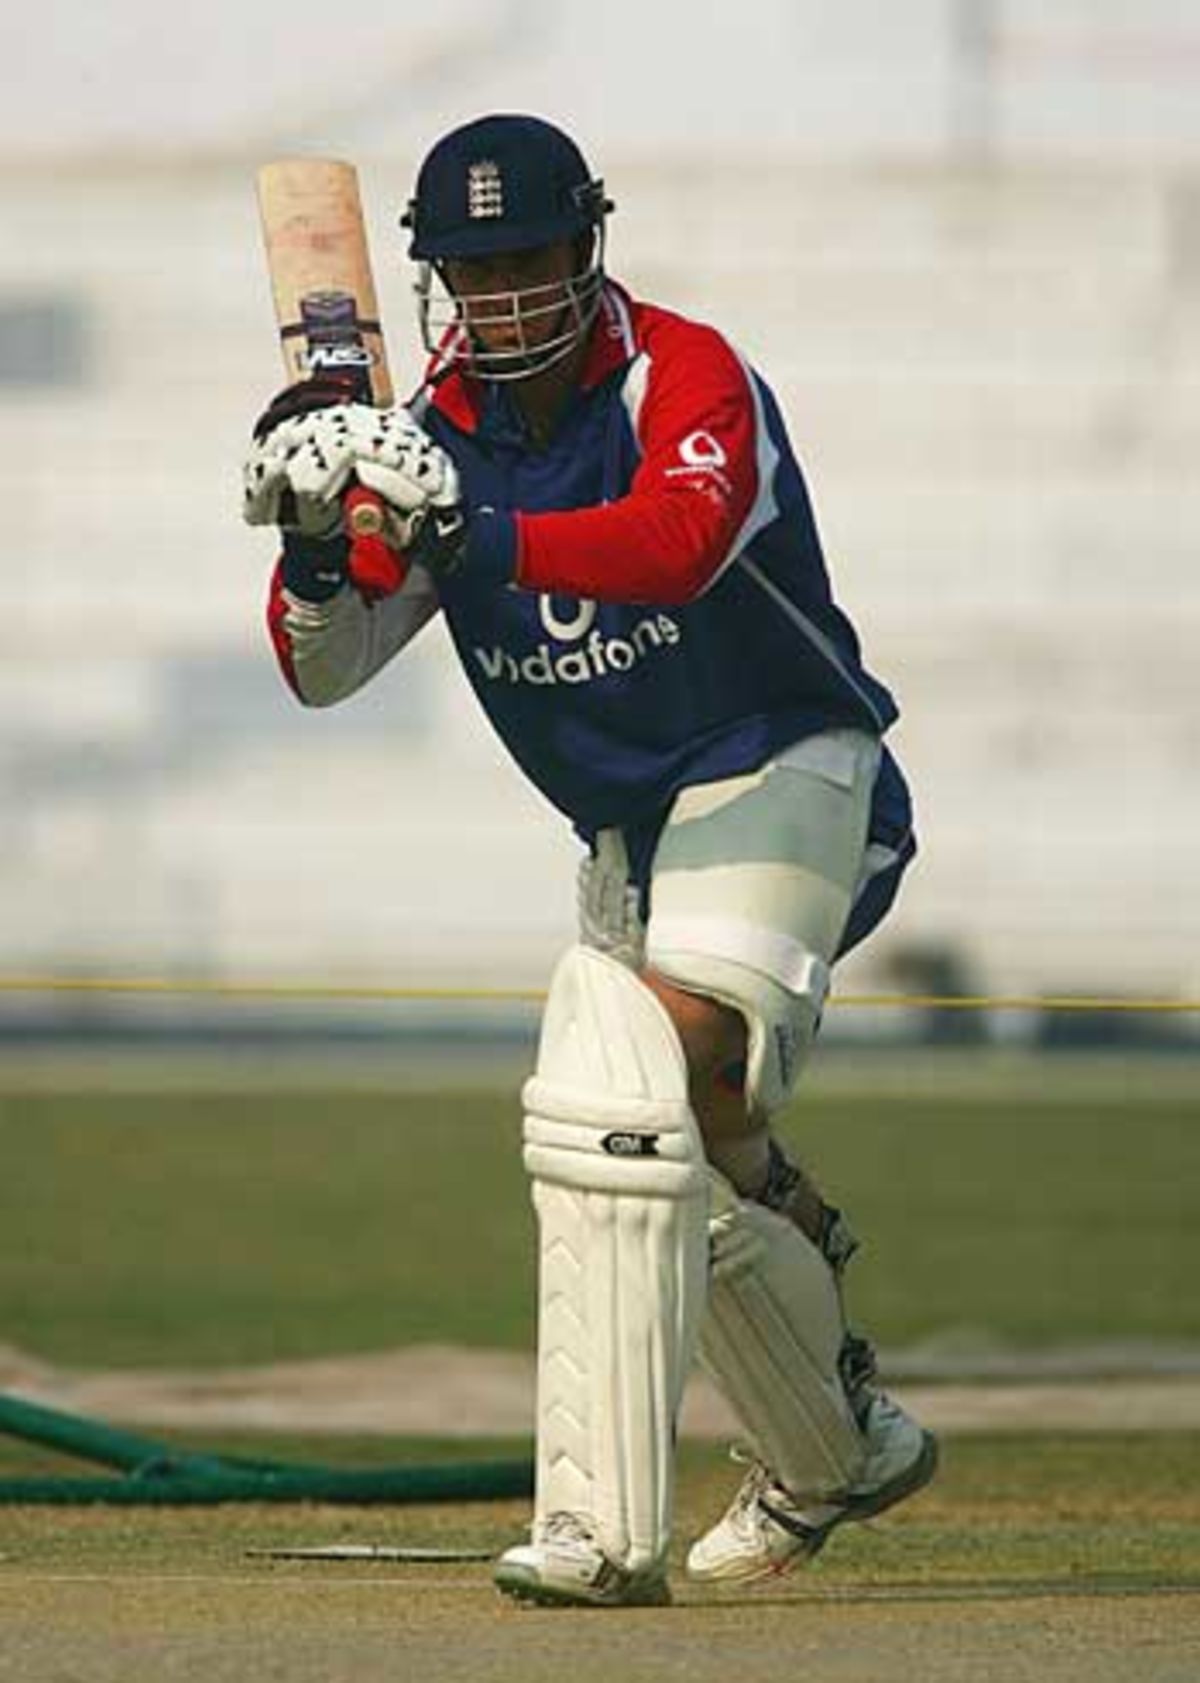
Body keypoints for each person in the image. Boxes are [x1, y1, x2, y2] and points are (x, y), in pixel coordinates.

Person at [243, 112, 937, 1608]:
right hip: (626, 831)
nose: (505, 299)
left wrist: (471, 533)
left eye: (531, 261)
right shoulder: (421, 436)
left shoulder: (684, 371)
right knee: (671, 1135)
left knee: (630, 1072)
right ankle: (840, 1448)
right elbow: (329, 666)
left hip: (784, 755)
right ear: (438, 283)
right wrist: (315, 547)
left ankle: (599, 1534)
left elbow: (680, 540)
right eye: (475, 272)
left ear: (586, 249)